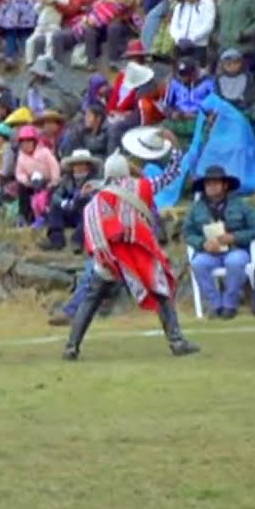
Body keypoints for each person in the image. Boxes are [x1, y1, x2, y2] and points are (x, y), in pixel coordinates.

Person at [63, 143, 199, 360]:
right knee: (161, 292)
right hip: (137, 253)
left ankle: (71, 346)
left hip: (107, 256)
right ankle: (177, 341)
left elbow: (94, 225)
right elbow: (170, 175)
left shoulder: (96, 198)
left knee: (91, 299)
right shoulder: (140, 187)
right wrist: (174, 151)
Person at [183, 166, 255, 319]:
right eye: (208, 184)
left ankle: (230, 305)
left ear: (225, 185)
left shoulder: (241, 205)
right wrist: (203, 243)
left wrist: (235, 237)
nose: (211, 187)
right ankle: (215, 305)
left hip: (236, 250)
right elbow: (187, 233)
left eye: (215, 183)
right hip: (209, 252)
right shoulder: (196, 209)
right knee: (198, 264)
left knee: (234, 262)